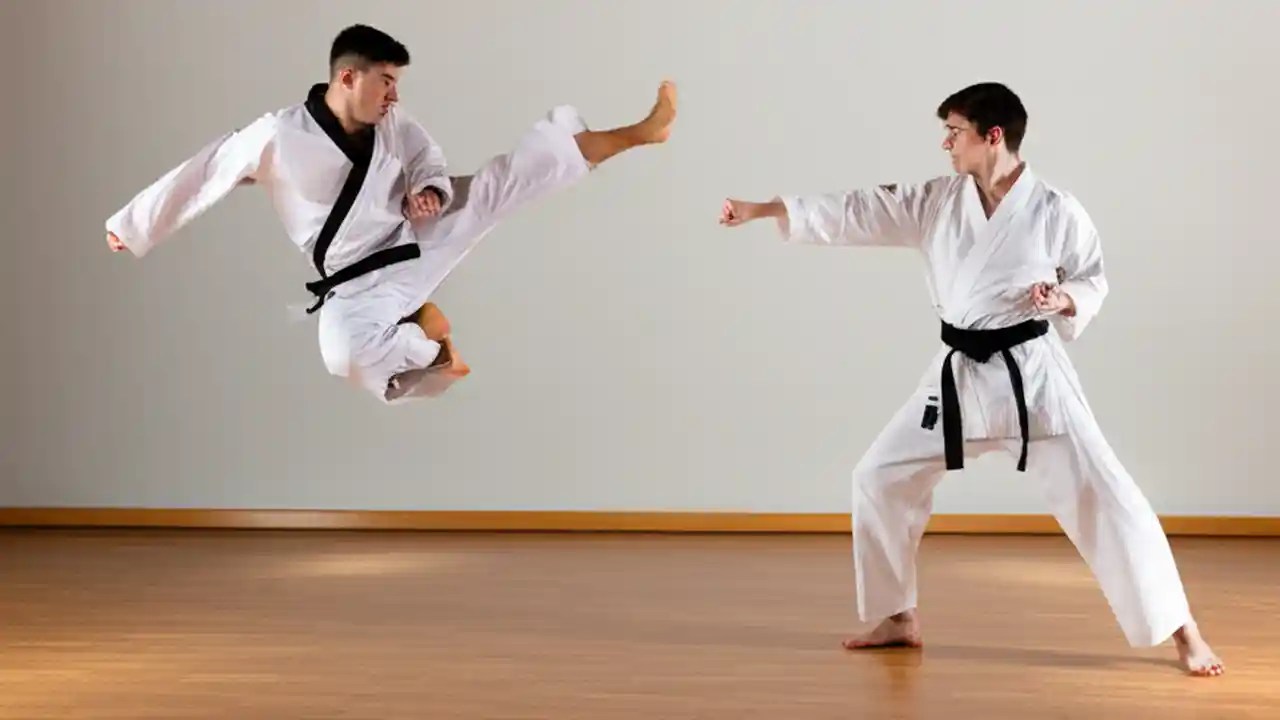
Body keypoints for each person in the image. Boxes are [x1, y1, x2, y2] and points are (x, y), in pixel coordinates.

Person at [718, 82, 1223, 677]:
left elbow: (1092, 278)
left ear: (993, 136)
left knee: (1109, 497)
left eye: (955, 132)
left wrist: (1061, 298)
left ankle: (1183, 630)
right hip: (956, 379)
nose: (945, 143)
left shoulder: (1056, 209)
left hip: (1032, 382)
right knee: (878, 477)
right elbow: (860, 208)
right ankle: (896, 616)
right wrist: (768, 209)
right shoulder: (939, 200)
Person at [105, 24, 677, 403]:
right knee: (343, 356)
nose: (394, 95)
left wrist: (429, 188)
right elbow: (207, 170)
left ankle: (638, 132)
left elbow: (426, 156)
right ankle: (429, 341)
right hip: (356, 285)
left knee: (505, 183)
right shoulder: (277, 135)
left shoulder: (392, 124)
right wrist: (133, 225)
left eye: (397, 83)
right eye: (386, 81)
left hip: (414, 236)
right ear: (348, 77)